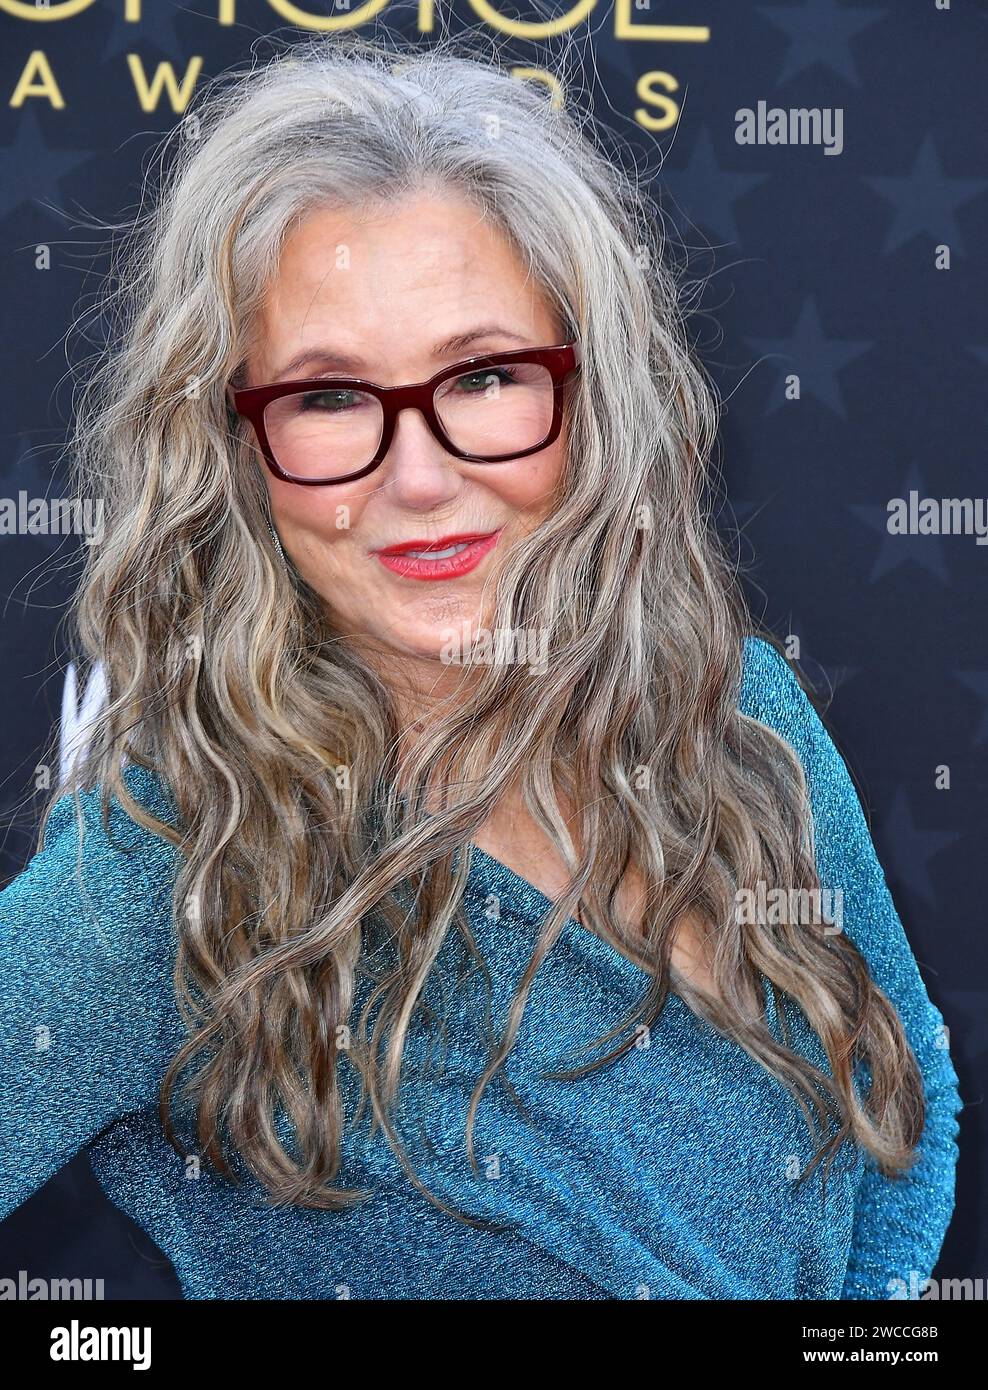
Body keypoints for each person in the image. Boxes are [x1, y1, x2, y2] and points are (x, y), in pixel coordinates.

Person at [0, 34, 961, 1300]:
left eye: (488, 374)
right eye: (330, 396)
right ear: (233, 443)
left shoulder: (724, 704)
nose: (418, 476)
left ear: (590, 395)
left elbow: (906, 1094)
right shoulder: (179, 869)